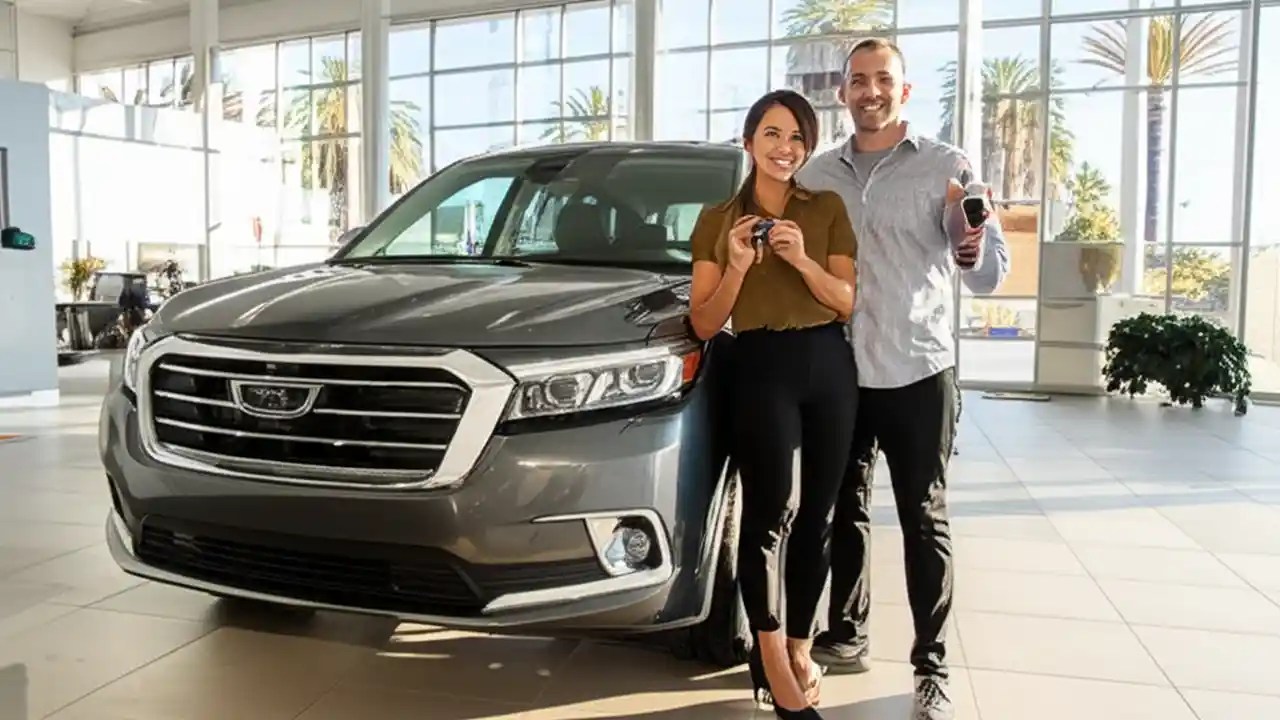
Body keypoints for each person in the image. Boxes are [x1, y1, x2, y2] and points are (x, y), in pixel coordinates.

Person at [796, 37, 1010, 720]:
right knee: (840, 510)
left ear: (903, 90)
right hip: (840, 373)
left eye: (882, 78)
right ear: (843, 92)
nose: (869, 90)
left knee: (924, 519)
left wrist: (970, 247)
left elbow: (990, 272)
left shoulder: (948, 166)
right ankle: (847, 633)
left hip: (920, 370)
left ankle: (931, 666)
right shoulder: (819, 174)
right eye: (858, 80)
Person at [688, 89, 859, 719]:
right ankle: (769, 658)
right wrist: (736, 266)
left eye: (797, 138)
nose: (785, 148)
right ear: (748, 141)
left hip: (829, 364)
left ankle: (799, 644)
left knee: (819, 512)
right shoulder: (715, 220)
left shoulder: (828, 208)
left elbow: (846, 300)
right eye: (772, 134)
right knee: (768, 514)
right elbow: (705, 324)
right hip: (760, 366)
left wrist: (803, 260)